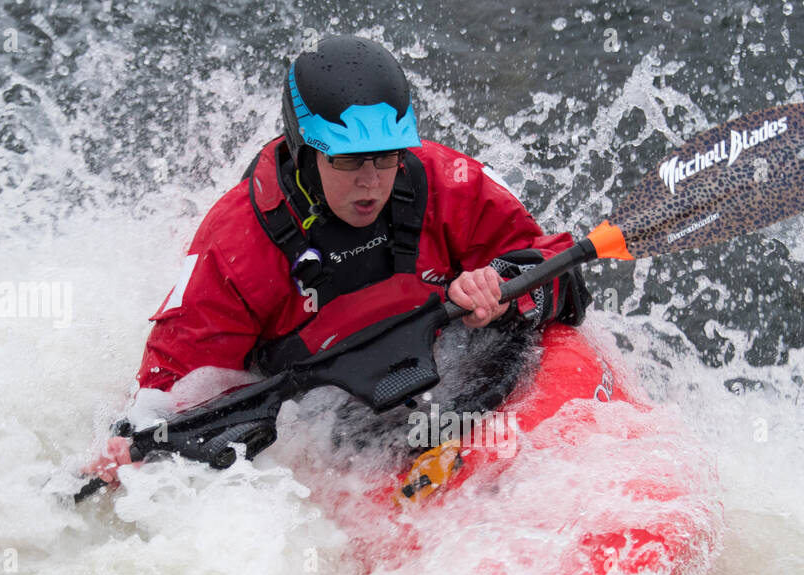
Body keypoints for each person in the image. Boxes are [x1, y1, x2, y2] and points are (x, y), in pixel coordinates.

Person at [89, 34, 588, 483]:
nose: (371, 181)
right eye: (347, 160)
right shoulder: (236, 243)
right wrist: (134, 445)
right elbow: (171, 389)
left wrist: (504, 284)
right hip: (327, 422)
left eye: (387, 156)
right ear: (306, 151)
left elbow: (564, 279)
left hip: (457, 371)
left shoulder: (447, 181)